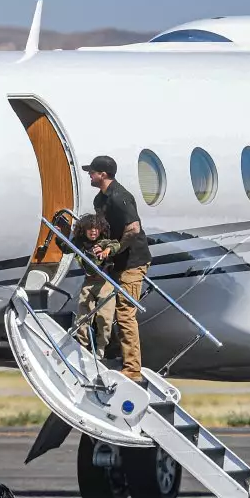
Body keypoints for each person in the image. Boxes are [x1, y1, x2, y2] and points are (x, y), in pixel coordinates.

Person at [82, 155, 152, 383]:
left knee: (125, 313)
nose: (89, 175)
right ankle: (101, 351)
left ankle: (132, 369)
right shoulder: (99, 200)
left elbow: (133, 228)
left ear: (103, 174)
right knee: (98, 303)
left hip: (132, 262)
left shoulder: (120, 197)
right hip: (115, 262)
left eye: (92, 172)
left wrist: (114, 249)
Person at [58, 213, 121, 361]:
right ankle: (82, 344)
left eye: (96, 229)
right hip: (89, 282)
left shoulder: (104, 241)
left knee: (105, 318)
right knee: (83, 316)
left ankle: (101, 347)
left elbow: (115, 244)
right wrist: (61, 234)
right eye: (90, 229)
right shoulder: (80, 243)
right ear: (84, 230)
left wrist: (107, 251)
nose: (93, 232)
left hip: (105, 282)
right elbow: (66, 249)